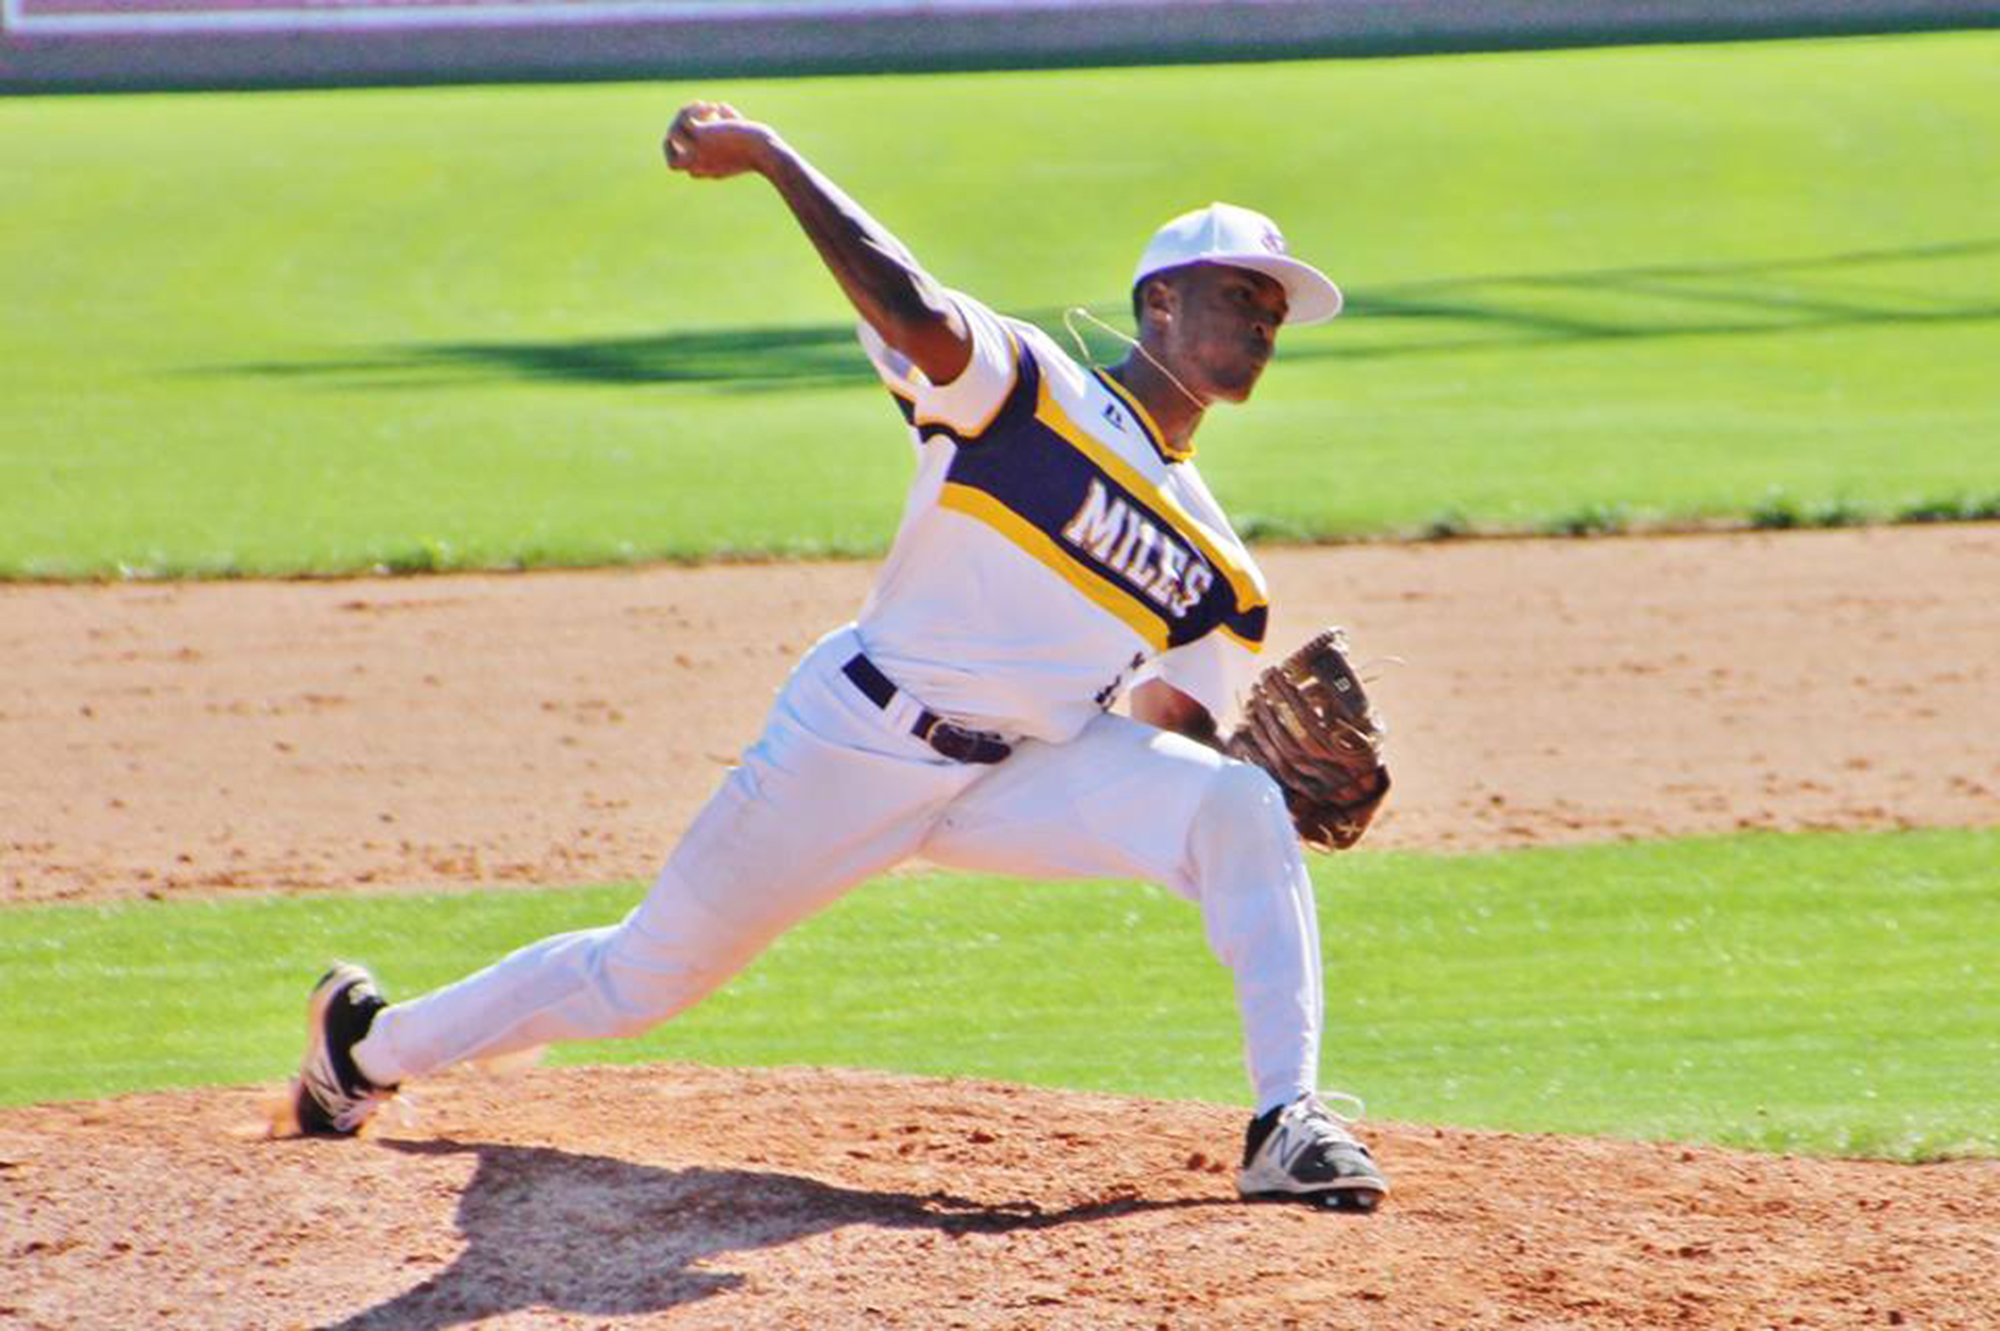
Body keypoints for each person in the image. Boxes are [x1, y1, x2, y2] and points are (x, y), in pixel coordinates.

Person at [292, 100, 1387, 1211]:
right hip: (857, 737)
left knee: (1236, 805)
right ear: (1158, 303)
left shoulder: (1216, 563)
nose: (1259, 323)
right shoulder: (1028, 386)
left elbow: (1170, 736)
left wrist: (1270, 804)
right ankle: (365, 1051)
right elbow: (907, 304)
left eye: (1273, 312)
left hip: (1018, 774)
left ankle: (1282, 1122)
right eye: (1238, 296)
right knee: (641, 975)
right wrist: (773, 161)